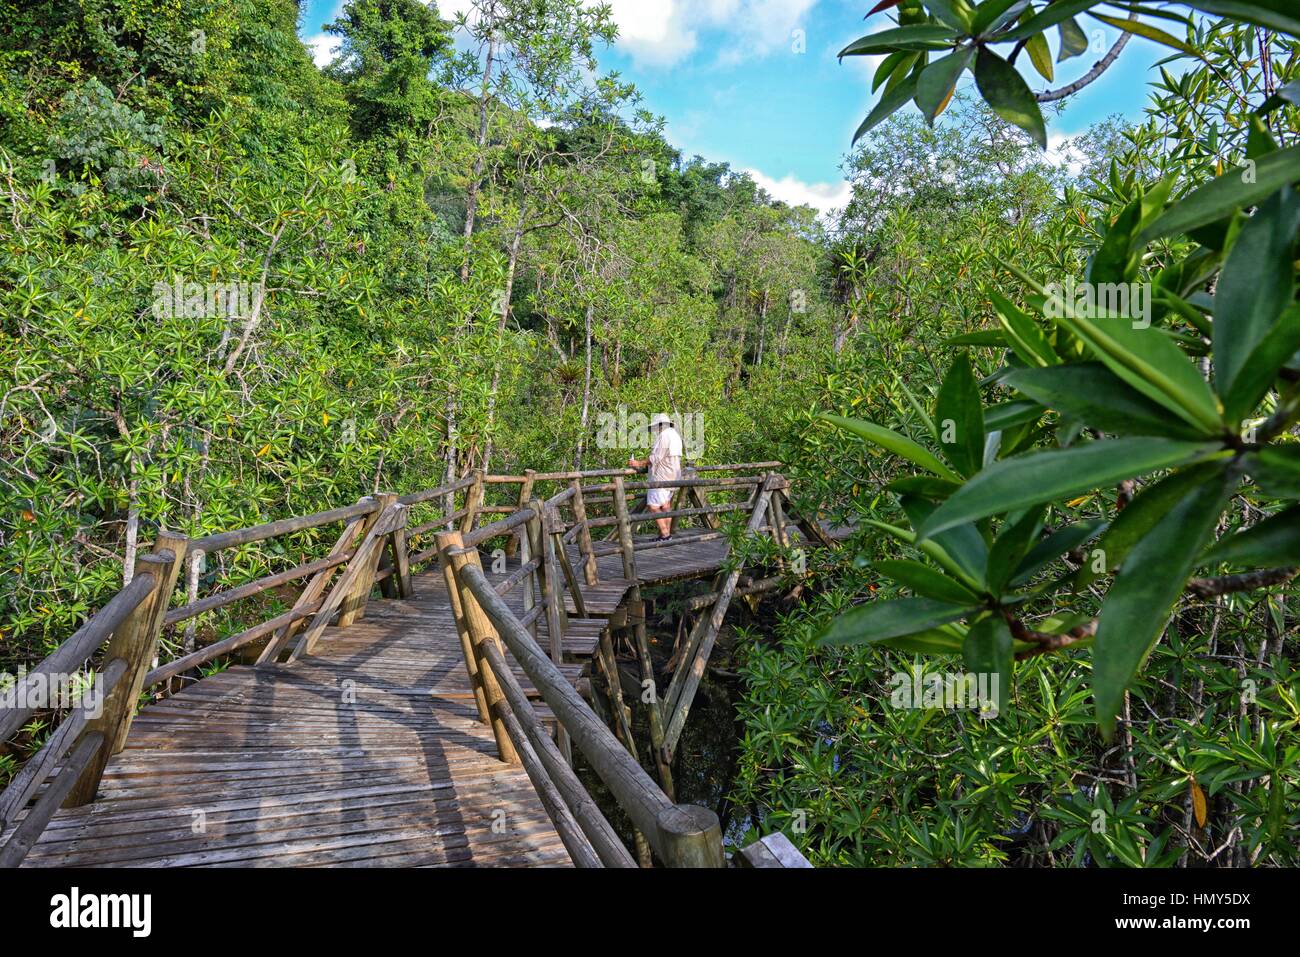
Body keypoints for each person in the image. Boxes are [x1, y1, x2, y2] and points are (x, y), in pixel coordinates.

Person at [628, 413, 683, 542]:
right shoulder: (675, 435)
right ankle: (666, 535)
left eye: (656, 427)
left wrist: (637, 463)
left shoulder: (664, 436)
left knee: (653, 505)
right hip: (674, 475)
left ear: (660, 425)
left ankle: (665, 534)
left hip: (661, 477)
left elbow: (655, 458)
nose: (655, 430)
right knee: (665, 505)